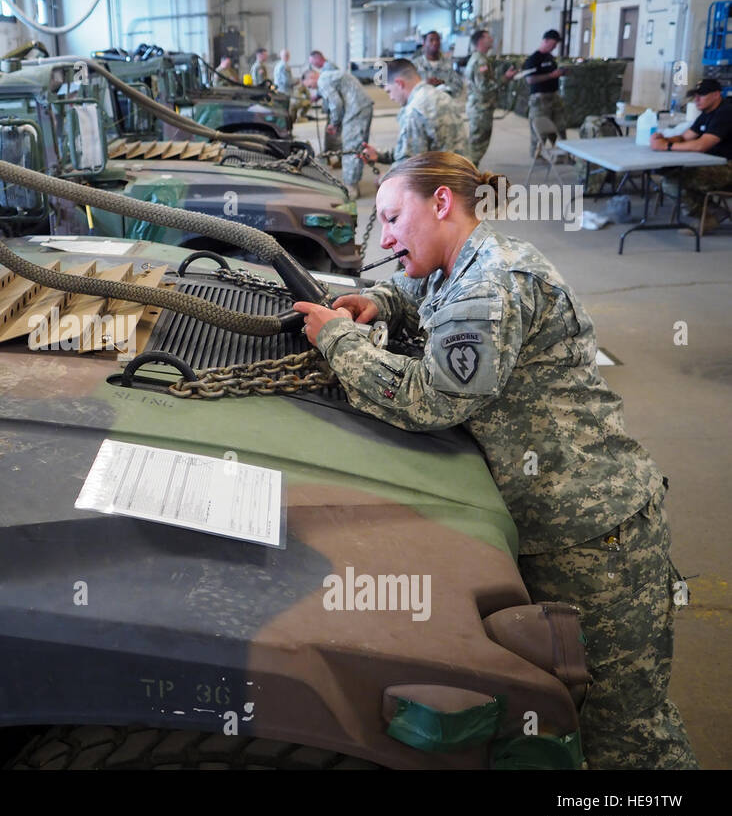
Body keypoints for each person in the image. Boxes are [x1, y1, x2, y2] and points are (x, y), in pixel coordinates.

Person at [294, 151, 698, 770]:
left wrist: (337, 339)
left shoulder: (491, 286)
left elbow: (428, 399)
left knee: (625, 733)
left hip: (596, 537)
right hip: (555, 528)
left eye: (393, 218)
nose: (386, 237)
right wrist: (378, 301)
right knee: (566, 715)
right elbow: (415, 288)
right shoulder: (462, 261)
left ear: (441, 203)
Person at [651, 77, 732, 235]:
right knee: (667, 171)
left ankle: (708, 216)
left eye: (701, 95)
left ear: (716, 95)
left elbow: (701, 145)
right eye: (695, 95)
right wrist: (665, 139)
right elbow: (688, 136)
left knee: (672, 181)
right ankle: (716, 212)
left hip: (727, 167)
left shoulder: (726, 113)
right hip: (712, 163)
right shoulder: (707, 113)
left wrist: (666, 146)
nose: (696, 100)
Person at [361, 58, 468, 166]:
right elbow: (416, 147)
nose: (391, 97)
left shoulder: (414, 111)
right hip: (459, 174)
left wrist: (384, 180)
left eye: (389, 91)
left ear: (399, 83)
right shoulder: (441, 95)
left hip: (441, 178)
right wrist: (380, 156)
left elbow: (408, 164)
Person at [303, 59, 375, 190]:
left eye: (309, 86)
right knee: (356, 146)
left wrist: (334, 123)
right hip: (360, 107)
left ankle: (351, 186)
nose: (312, 89)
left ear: (312, 76)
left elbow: (335, 103)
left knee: (351, 147)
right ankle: (352, 182)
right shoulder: (329, 75)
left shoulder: (322, 80)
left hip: (356, 110)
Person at [464, 29, 516, 165]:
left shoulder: (477, 58)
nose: (492, 39)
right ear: (481, 40)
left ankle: (469, 172)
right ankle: (468, 175)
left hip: (478, 107)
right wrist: (505, 78)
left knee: (476, 143)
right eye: (489, 37)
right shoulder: (481, 61)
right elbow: (484, 87)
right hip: (481, 108)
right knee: (477, 146)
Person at [524, 29, 568, 156]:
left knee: (560, 127)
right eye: (553, 44)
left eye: (556, 45)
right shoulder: (533, 59)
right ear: (545, 40)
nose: (554, 47)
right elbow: (530, 79)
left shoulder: (550, 58)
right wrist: (551, 75)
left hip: (554, 97)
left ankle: (563, 154)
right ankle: (536, 155)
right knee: (539, 131)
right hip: (540, 99)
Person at [411, 31, 464, 96]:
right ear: (424, 44)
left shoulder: (448, 64)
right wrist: (425, 83)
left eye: (437, 40)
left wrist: (443, 84)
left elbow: (458, 85)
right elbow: (409, 88)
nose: (435, 43)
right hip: (423, 103)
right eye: (431, 40)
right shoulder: (415, 65)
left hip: (444, 103)